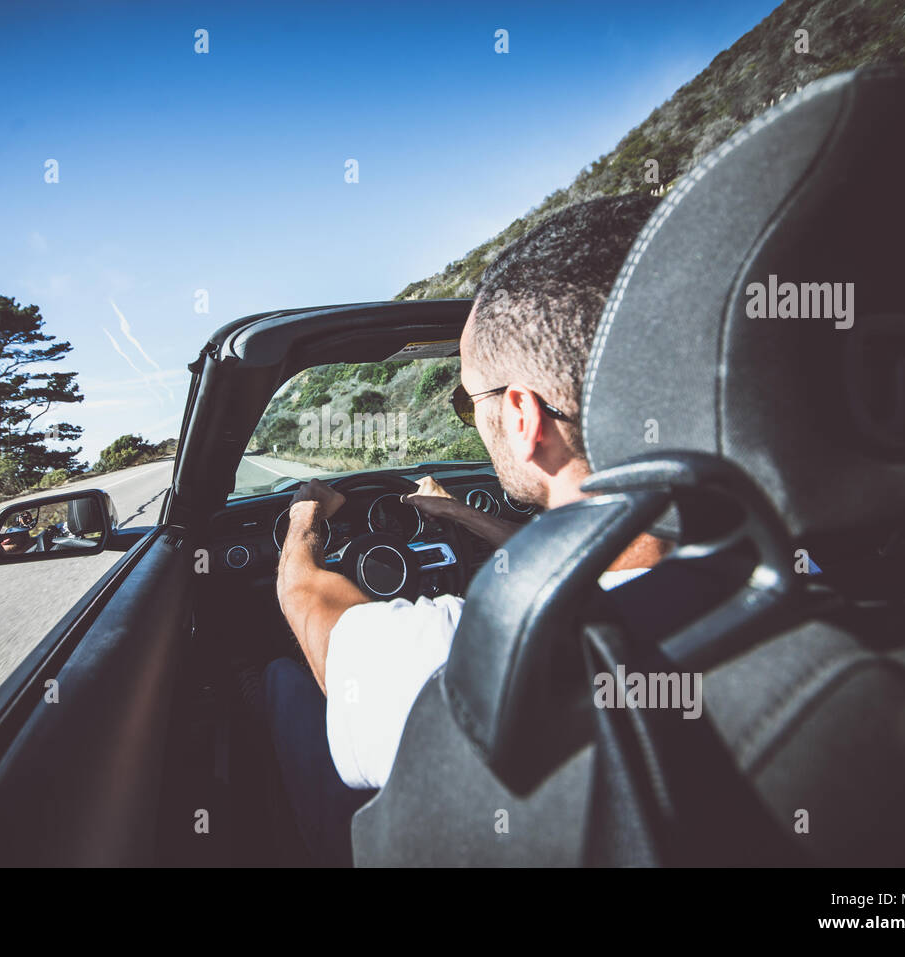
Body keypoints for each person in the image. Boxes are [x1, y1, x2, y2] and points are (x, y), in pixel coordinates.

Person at [266, 193, 667, 866]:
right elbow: (584, 559)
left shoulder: (466, 658)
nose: (470, 417)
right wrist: (457, 513)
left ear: (522, 416)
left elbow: (302, 596)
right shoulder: (800, 568)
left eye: (468, 400)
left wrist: (306, 511)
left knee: (283, 677)